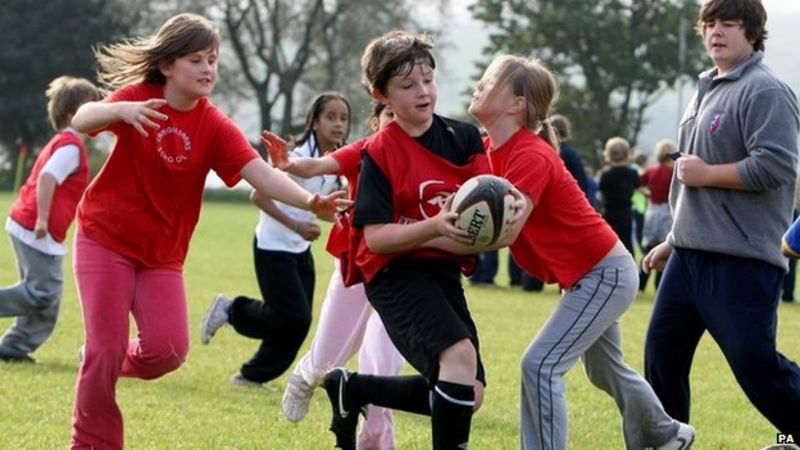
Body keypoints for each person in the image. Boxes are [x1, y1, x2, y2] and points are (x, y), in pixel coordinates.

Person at [69, 13, 346, 449]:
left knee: (168, 351)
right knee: (105, 348)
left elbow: (260, 174)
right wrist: (119, 108)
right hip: (105, 238)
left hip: (162, 254)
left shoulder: (213, 125)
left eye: (212, 60)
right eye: (196, 60)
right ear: (167, 66)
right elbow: (82, 119)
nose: (207, 70)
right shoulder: (141, 98)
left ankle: (101, 361)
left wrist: (312, 201)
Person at [468, 54, 694, 450]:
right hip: (592, 275)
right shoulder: (490, 150)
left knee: (539, 366)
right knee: (605, 370)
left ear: (517, 104)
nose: (478, 85)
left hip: (603, 273)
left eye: (488, 81)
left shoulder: (530, 154)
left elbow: (504, 231)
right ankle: (667, 435)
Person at [320, 30, 511, 450]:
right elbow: (377, 238)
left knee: (469, 394)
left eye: (428, 80)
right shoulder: (380, 152)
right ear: (381, 94)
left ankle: (353, 389)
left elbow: (488, 210)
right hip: (394, 274)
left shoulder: (462, 138)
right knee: (458, 358)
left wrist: (504, 222)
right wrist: (435, 227)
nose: (423, 92)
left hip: (440, 271)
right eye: (407, 86)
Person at [642, 0, 800, 440]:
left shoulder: (765, 90)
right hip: (688, 257)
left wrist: (708, 174)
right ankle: (666, 441)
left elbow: (776, 167)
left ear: (752, 33)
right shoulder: (706, 88)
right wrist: (674, 238)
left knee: (756, 367)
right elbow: (690, 179)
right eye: (710, 24)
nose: (716, 32)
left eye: (729, 24)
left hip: (741, 260)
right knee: (662, 356)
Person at [264, 102, 406, 450]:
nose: (397, 122)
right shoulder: (364, 150)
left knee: (382, 373)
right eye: (390, 115)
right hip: (356, 265)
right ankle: (306, 375)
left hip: (405, 277)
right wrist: (290, 163)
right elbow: (317, 164)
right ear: (375, 121)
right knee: (330, 353)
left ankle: (374, 440)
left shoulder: (428, 151)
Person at [199, 92, 350, 388]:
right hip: (273, 245)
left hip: (299, 248)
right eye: (330, 117)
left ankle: (251, 376)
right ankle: (231, 310)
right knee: (293, 318)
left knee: (298, 322)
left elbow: (320, 207)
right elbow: (258, 195)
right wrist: (296, 225)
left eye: (343, 118)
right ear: (315, 122)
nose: (338, 124)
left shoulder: (333, 163)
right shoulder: (293, 159)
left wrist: (338, 220)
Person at [0, 76, 102, 363]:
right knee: (43, 294)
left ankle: (13, 348)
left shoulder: (64, 142)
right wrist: (43, 219)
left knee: (48, 299)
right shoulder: (70, 146)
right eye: (92, 109)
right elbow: (47, 178)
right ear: (73, 115)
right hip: (36, 227)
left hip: (32, 226)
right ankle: (15, 344)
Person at [637, 140, 676, 292]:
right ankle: (660, 285)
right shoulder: (673, 172)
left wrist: (647, 193)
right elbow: (682, 160)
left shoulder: (651, 171)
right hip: (667, 211)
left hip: (652, 211)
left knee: (649, 249)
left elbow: (638, 183)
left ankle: (641, 283)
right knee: (664, 249)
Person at [598, 136, 640, 254]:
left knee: (609, 244)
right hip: (625, 211)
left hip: (609, 212)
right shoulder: (632, 173)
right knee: (627, 243)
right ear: (627, 154)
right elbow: (637, 187)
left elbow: (601, 193)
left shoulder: (605, 174)